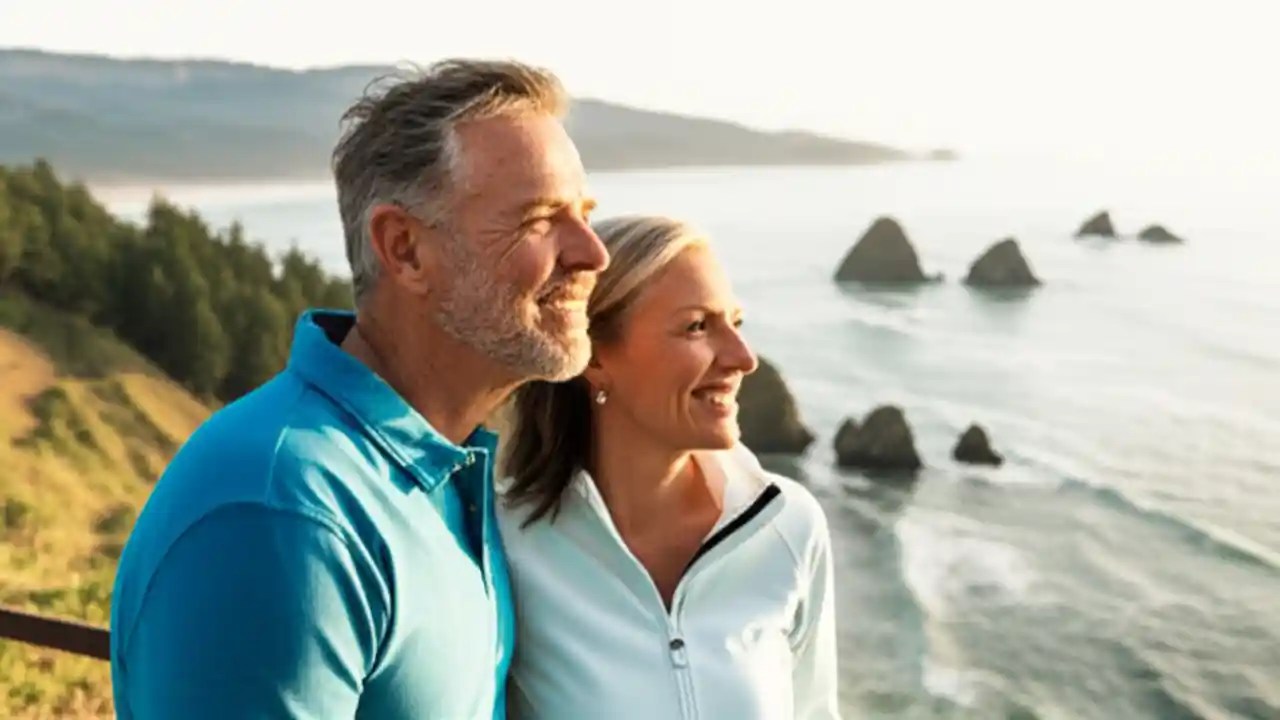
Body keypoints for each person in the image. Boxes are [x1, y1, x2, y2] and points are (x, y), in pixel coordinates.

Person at [109, 58, 609, 719]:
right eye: (541, 219)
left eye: (584, 214)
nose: (592, 253)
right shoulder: (283, 509)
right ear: (404, 249)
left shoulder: (435, 475)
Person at [497, 215, 841, 719]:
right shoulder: (502, 542)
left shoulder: (788, 525)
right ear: (593, 357)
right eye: (698, 326)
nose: (744, 358)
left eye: (736, 322)